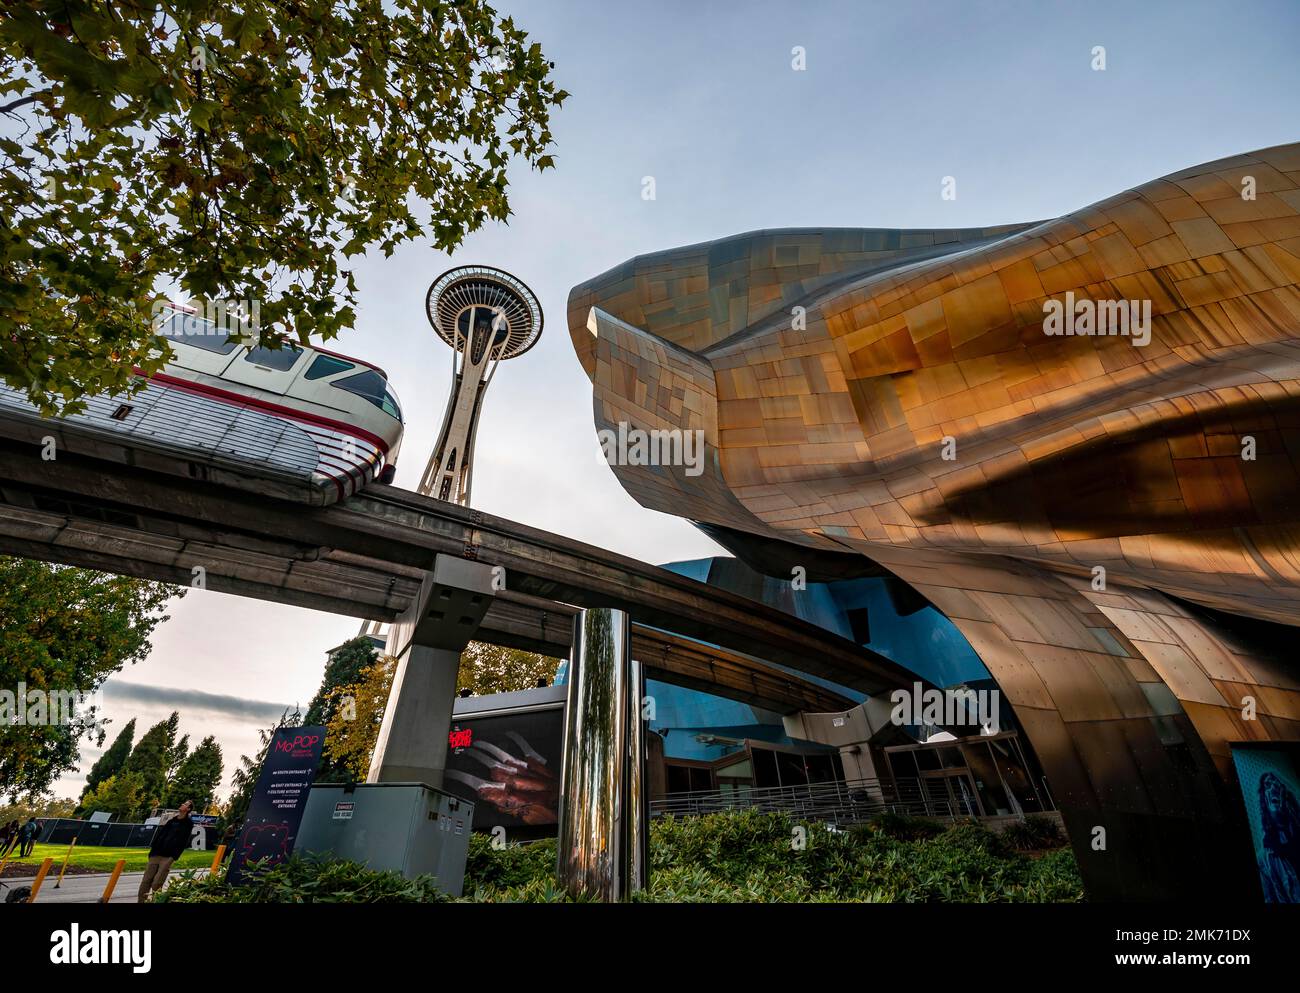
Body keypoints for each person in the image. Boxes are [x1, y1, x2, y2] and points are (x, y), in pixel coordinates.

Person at [138, 800, 195, 902]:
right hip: (156, 854)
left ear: (188, 809)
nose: (182, 804)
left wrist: (174, 856)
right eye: (183, 803)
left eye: (185, 804)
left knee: (157, 883)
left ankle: (155, 900)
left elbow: (183, 841)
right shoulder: (171, 821)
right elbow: (160, 835)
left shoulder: (188, 824)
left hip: (168, 856)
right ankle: (141, 901)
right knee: (146, 880)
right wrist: (153, 850)